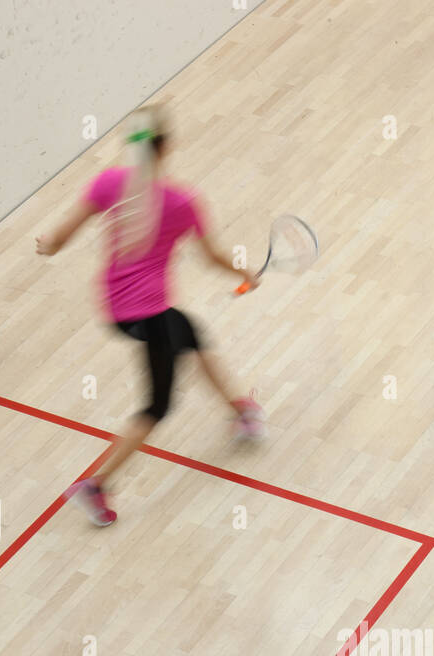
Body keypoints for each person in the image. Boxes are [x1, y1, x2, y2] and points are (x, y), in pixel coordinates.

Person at [35, 103, 263, 525]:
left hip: (116, 308)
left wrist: (47, 244)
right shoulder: (182, 201)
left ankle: (241, 410)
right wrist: (245, 272)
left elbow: (59, 237)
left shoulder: (108, 183)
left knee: (192, 335)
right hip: (150, 314)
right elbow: (212, 256)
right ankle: (95, 486)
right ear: (166, 147)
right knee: (156, 407)